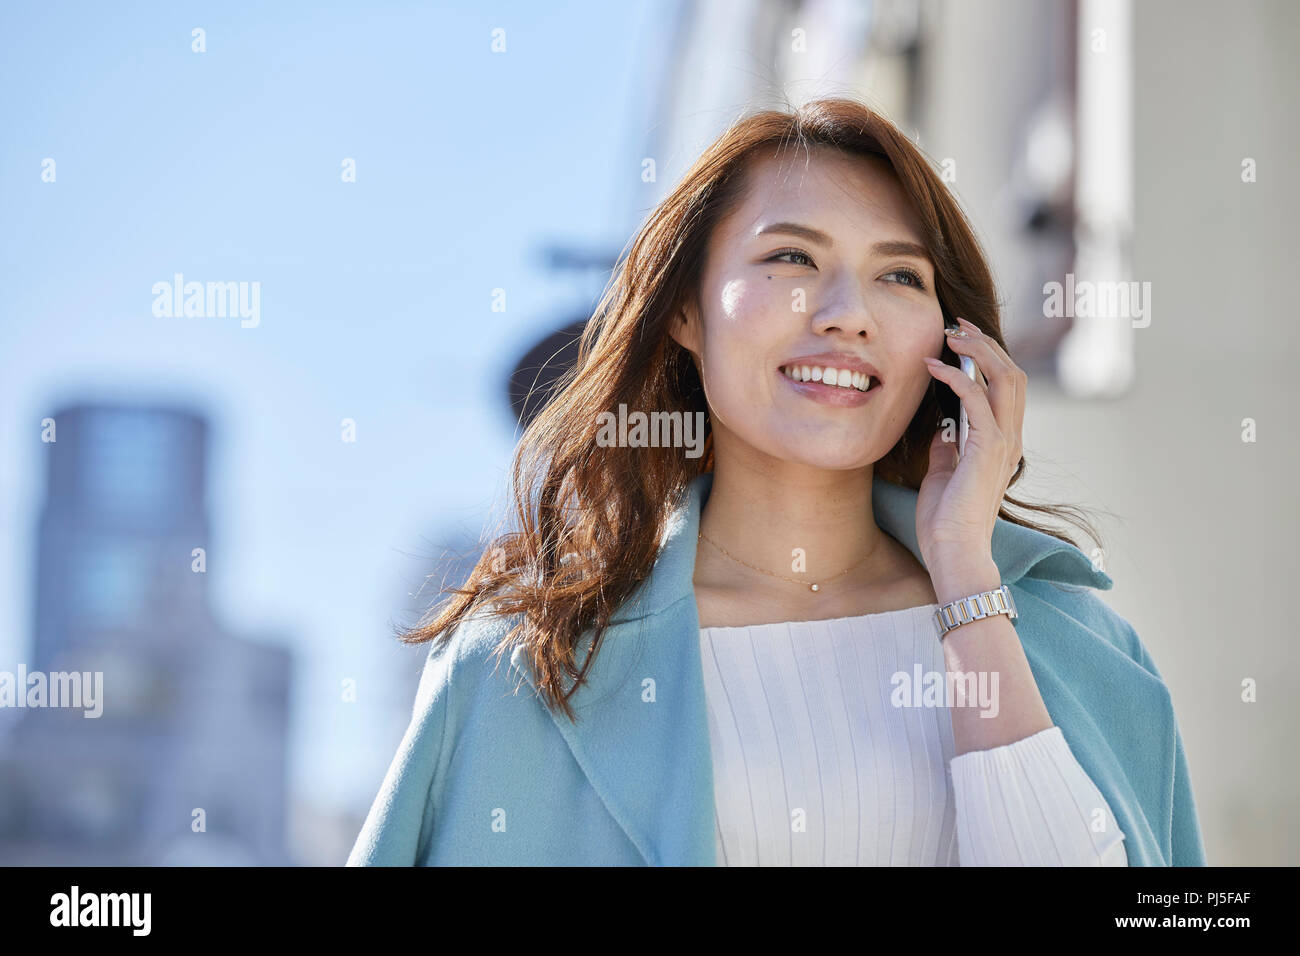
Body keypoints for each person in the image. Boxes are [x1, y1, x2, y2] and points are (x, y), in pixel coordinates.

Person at [347, 97, 1206, 866]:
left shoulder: (1080, 645)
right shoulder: (529, 662)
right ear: (684, 310)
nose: (848, 312)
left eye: (901, 275)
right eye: (792, 258)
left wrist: (965, 575)